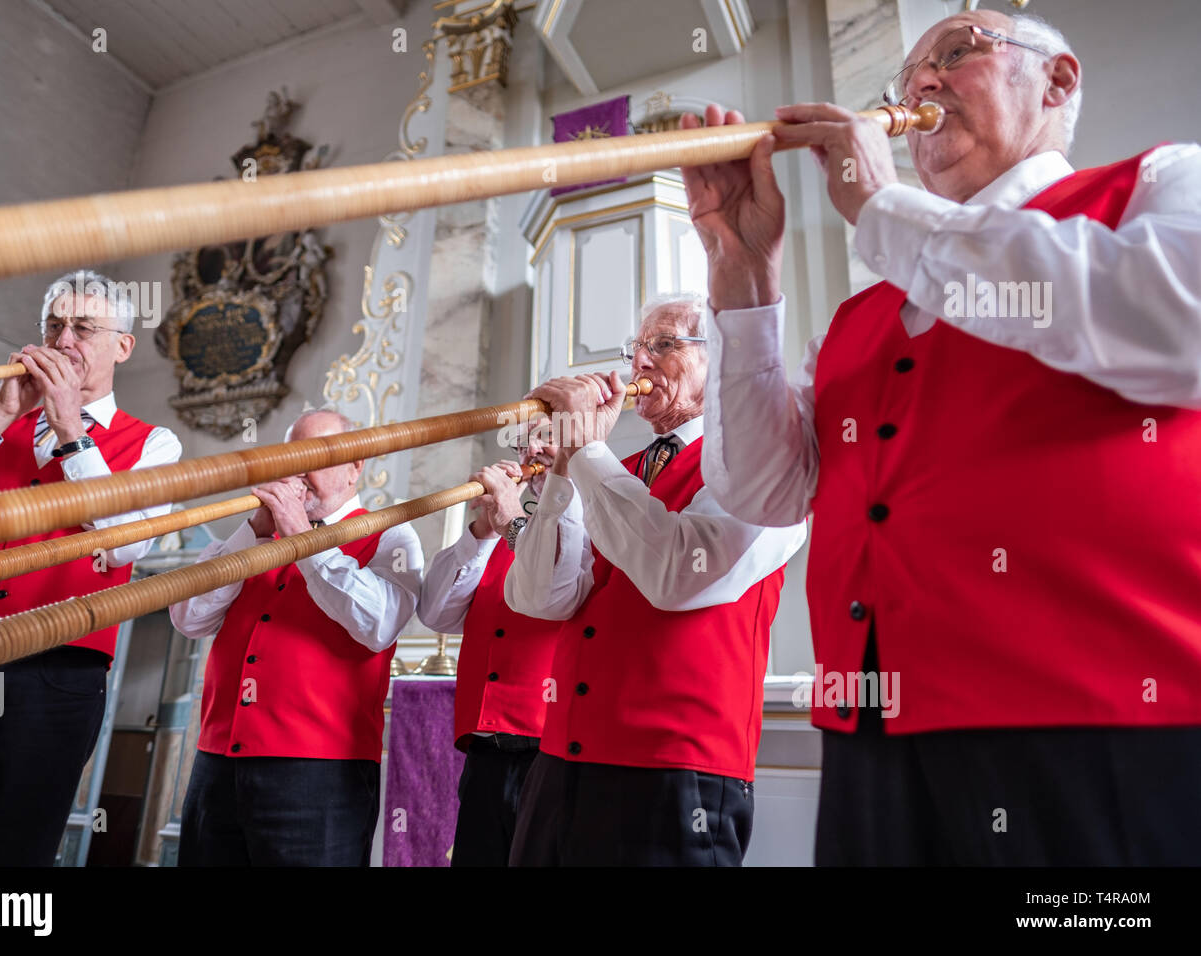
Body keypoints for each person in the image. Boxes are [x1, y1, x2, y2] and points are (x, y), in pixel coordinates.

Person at [686, 9, 1201, 864]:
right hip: (871, 739)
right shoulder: (859, 317)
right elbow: (762, 493)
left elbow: (1177, 328)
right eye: (908, 77)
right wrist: (743, 271)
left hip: (1107, 734)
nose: (921, 84)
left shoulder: (1163, 183)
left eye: (955, 55)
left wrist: (883, 208)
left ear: (1058, 80)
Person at [504, 293, 808, 866]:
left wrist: (588, 453)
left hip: (677, 772)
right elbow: (542, 600)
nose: (638, 364)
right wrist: (564, 480)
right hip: (561, 760)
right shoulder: (621, 473)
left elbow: (678, 576)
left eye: (663, 346)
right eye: (636, 348)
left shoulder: (763, 460)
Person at [0, 269, 182, 866]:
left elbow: (126, 543)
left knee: (10, 861)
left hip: (54, 678)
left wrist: (69, 428)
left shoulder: (154, 445)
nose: (63, 341)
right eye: (54, 325)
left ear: (122, 347)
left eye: (83, 327)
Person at [169, 409, 423, 866]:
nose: (300, 472)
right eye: (292, 456)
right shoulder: (249, 540)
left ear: (356, 466)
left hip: (320, 772)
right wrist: (251, 534)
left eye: (317, 457)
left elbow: (379, 624)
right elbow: (188, 619)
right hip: (216, 762)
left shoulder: (390, 534)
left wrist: (303, 539)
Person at [416, 420, 561, 866]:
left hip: (552, 751)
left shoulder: (591, 516)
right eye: (524, 443)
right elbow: (435, 614)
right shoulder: (497, 531)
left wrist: (513, 515)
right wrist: (481, 530)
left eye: (546, 440)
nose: (531, 452)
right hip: (485, 749)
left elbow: (556, 590)